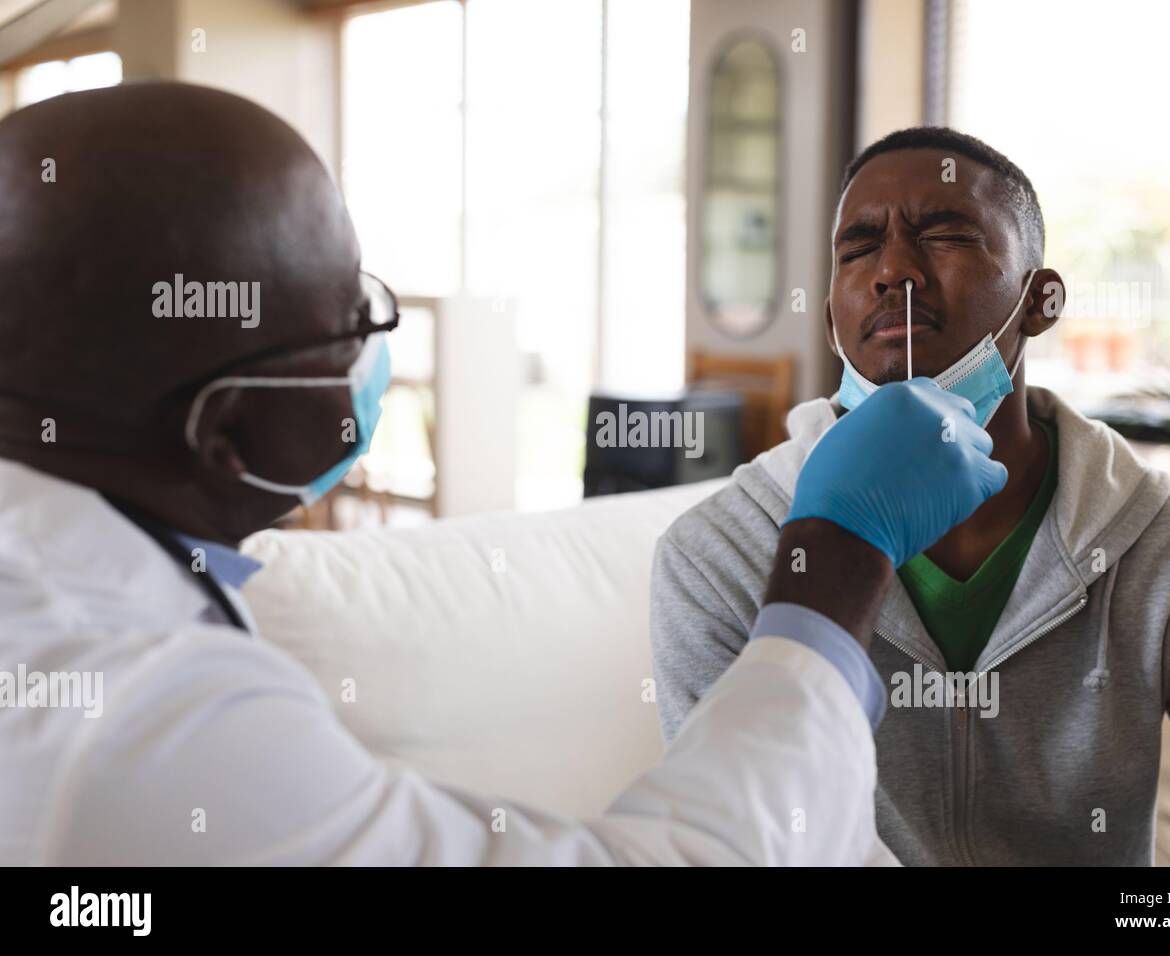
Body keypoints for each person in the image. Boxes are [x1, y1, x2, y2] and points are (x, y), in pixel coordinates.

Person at [0, 83, 1005, 866]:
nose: (893, 276)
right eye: (353, 316)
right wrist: (834, 559)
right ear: (224, 433)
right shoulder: (140, 719)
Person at [651, 126, 1170, 866]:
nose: (893, 269)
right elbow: (737, 845)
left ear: (1040, 300)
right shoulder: (718, 557)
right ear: (831, 316)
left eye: (945, 234)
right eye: (858, 248)